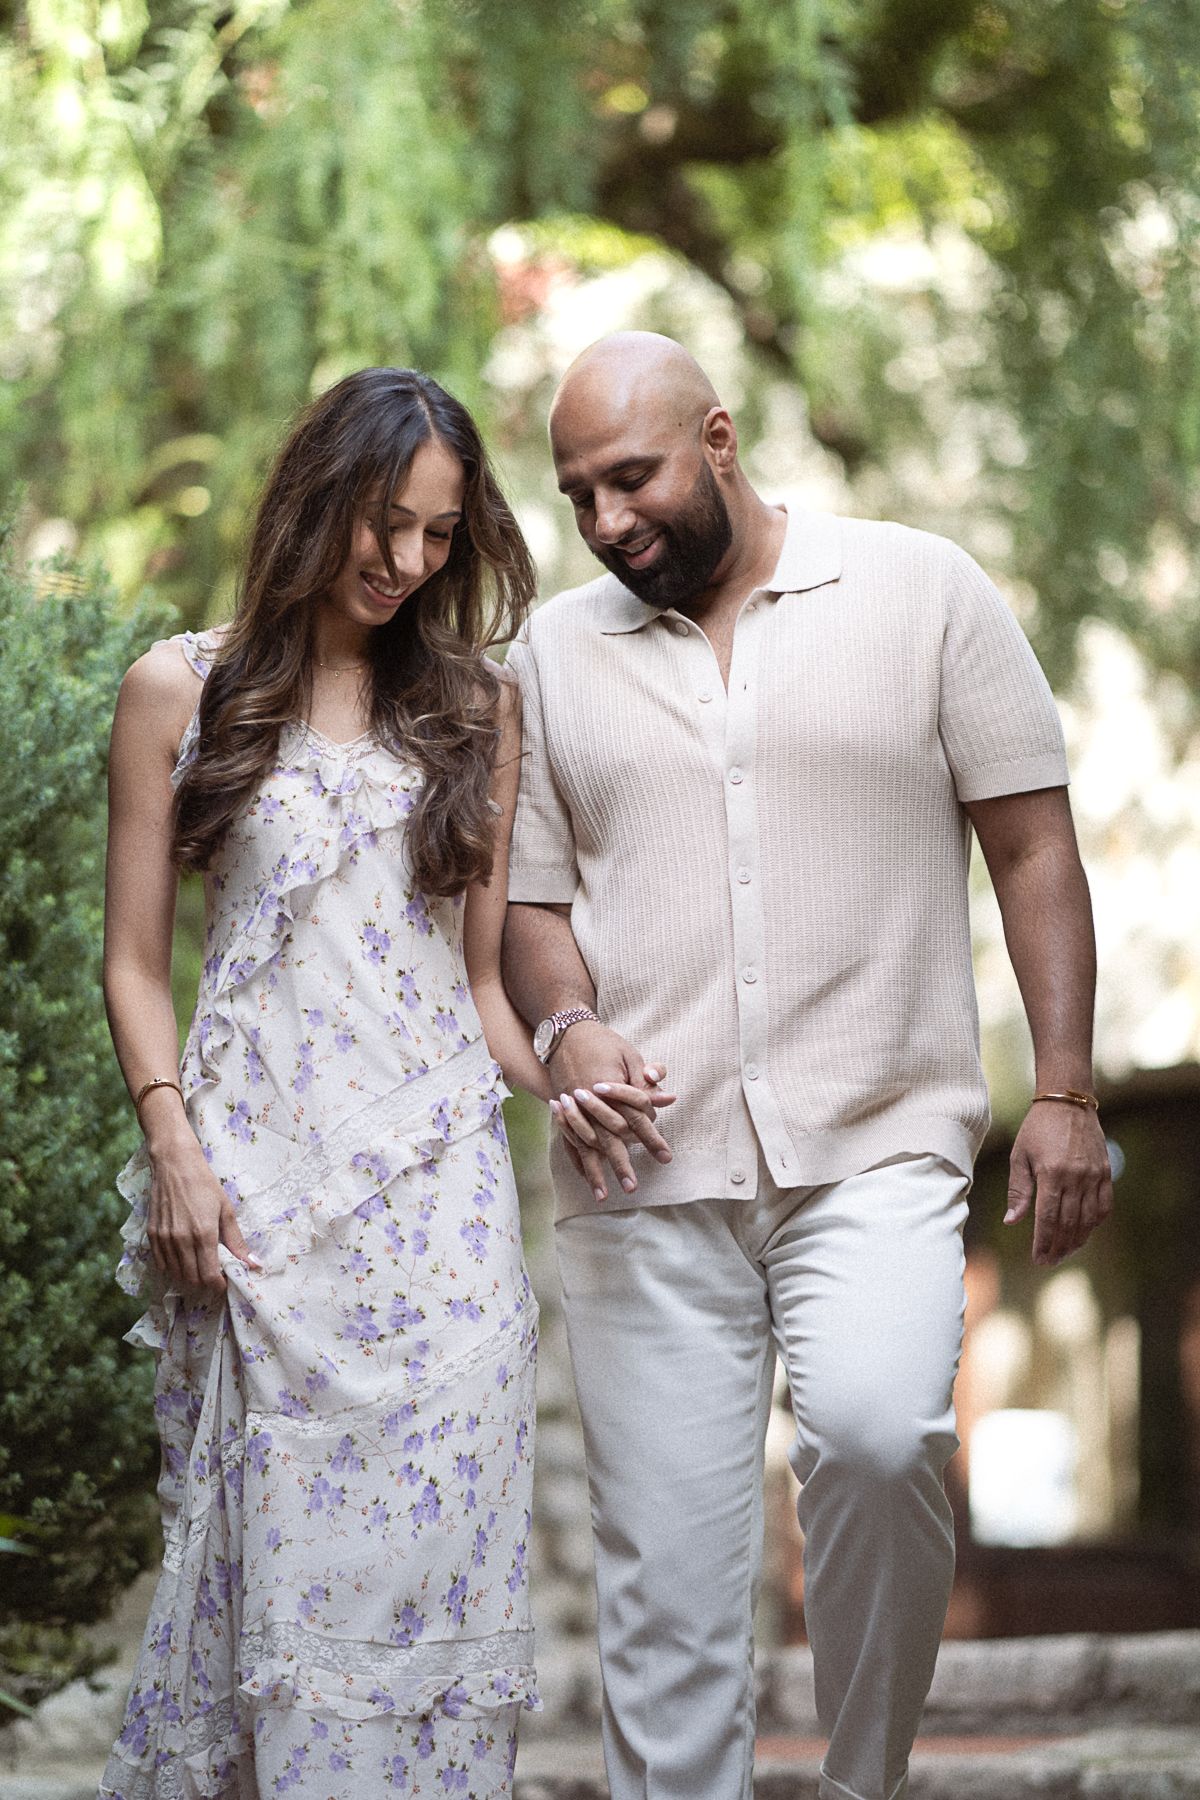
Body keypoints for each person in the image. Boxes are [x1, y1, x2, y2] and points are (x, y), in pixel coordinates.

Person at [501, 331, 1113, 1800]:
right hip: (642, 1165)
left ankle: (863, 1783)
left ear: (718, 439)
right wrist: (568, 1023)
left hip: (880, 1131)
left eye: (632, 477)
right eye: (579, 493)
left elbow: (1032, 844)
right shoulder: (550, 656)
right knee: (670, 1581)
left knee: (880, 1431)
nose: (608, 521)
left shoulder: (922, 592)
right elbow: (523, 907)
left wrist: (1070, 1092)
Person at [101, 368, 554, 1799]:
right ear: (318, 494)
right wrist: (174, 1145)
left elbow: (475, 988)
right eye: (386, 522)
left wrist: (574, 1078)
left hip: (445, 1234)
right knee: (268, 1616)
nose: (408, 562)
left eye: (438, 536)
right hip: (263, 1216)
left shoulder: (477, 710)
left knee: (439, 1614)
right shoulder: (182, 687)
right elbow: (132, 962)